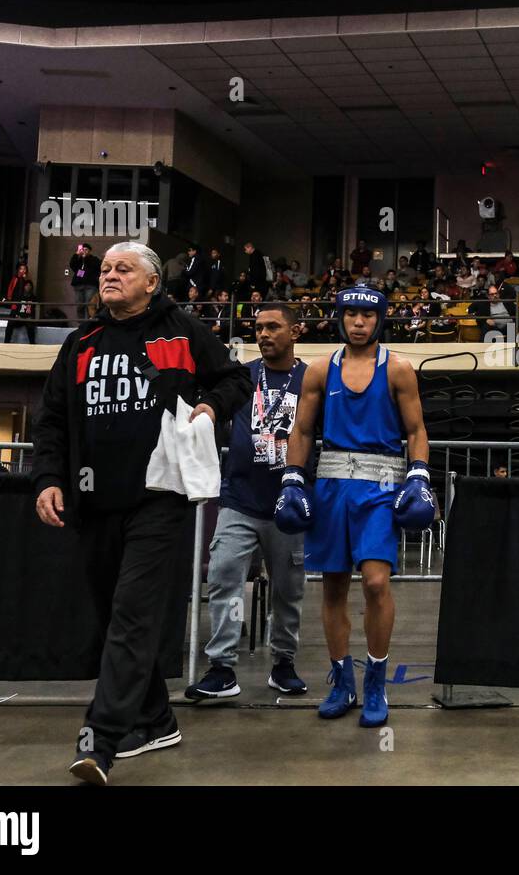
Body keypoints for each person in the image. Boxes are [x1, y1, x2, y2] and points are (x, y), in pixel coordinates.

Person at [32, 240, 252, 785]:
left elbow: (235, 379)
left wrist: (211, 405)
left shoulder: (180, 330)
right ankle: (155, 718)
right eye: (105, 269)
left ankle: (100, 738)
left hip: (158, 500)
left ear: (151, 282)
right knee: (113, 619)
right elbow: (53, 419)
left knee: (131, 617)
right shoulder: (80, 340)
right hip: (94, 500)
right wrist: (48, 479)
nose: (109, 276)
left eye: (123, 269)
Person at [275, 286, 432, 730]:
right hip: (331, 485)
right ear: (340, 318)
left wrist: (418, 474)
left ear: (378, 320)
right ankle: (343, 681)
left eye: (366, 315)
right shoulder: (321, 371)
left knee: (377, 581)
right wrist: (292, 478)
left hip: (381, 486)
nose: (358, 322)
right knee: (332, 586)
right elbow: (302, 431)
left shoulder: (398, 369)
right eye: (351, 315)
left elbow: (417, 429)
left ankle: (377, 681)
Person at [186, 303, 311, 706]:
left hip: (287, 503)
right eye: (258, 327)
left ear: (295, 331)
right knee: (223, 577)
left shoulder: (311, 380)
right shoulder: (241, 376)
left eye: (274, 326)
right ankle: (222, 669)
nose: (263, 334)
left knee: (287, 589)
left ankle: (283, 664)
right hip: (239, 498)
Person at [67, 242, 101, 320]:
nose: (84, 251)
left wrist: (86, 258)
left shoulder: (94, 259)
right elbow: (72, 265)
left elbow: (99, 266)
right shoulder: (78, 260)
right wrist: (77, 254)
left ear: (89, 251)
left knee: (89, 304)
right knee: (80, 305)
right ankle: (81, 322)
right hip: (78, 285)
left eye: (86, 249)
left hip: (90, 285)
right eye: (82, 249)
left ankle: (88, 322)